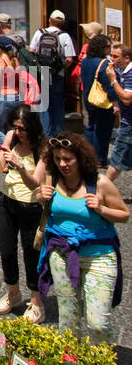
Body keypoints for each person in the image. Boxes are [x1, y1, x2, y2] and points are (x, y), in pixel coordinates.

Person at [35, 133, 128, 342]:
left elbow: (124, 215)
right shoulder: (51, 178)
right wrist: (41, 197)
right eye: (58, 158)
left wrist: (101, 209)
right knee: (68, 320)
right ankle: (71, 359)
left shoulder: (100, 183)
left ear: (81, 158)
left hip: (99, 256)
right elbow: (43, 202)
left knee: (98, 323)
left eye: (68, 159)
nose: (62, 164)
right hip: (61, 253)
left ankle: (103, 358)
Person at [0, 104, 46, 322]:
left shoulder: (43, 148)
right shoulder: (11, 137)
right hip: (6, 200)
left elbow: (35, 183)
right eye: (15, 127)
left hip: (30, 206)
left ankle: (36, 302)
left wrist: (20, 166)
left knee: (31, 254)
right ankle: (13, 293)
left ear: (32, 126)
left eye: (22, 128)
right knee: (6, 248)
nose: (18, 132)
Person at [30, 9, 76, 137]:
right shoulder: (65, 36)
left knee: (44, 105)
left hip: (43, 74)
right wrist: (60, 67)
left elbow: (32, 51)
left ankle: (46, 135)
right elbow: (69, 59)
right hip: (58, 75)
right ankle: (59, 135)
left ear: (49, 20)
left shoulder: (39, 33)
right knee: (57, 105)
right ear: (62, 23)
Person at [78, 32, 118, 167]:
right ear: (102, 47)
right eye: (108, 46)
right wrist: (115, 102)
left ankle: (89, 156)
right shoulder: (104, 63)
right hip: (102, 100)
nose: (110, 49)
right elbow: (109, 85)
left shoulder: (85, 61)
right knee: (103, 130)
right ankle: (99, 159)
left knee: (90, 127)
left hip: (89, 98)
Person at [106, 43, 132, 186]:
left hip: (129, 123)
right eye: (111, 55)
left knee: (117, 158)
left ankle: (101, 189)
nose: (112, 59)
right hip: (126, 120)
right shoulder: (121, 71)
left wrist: (113, 80)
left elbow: (127, 99)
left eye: (116, 56)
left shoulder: (130, 74)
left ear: (126, 58)